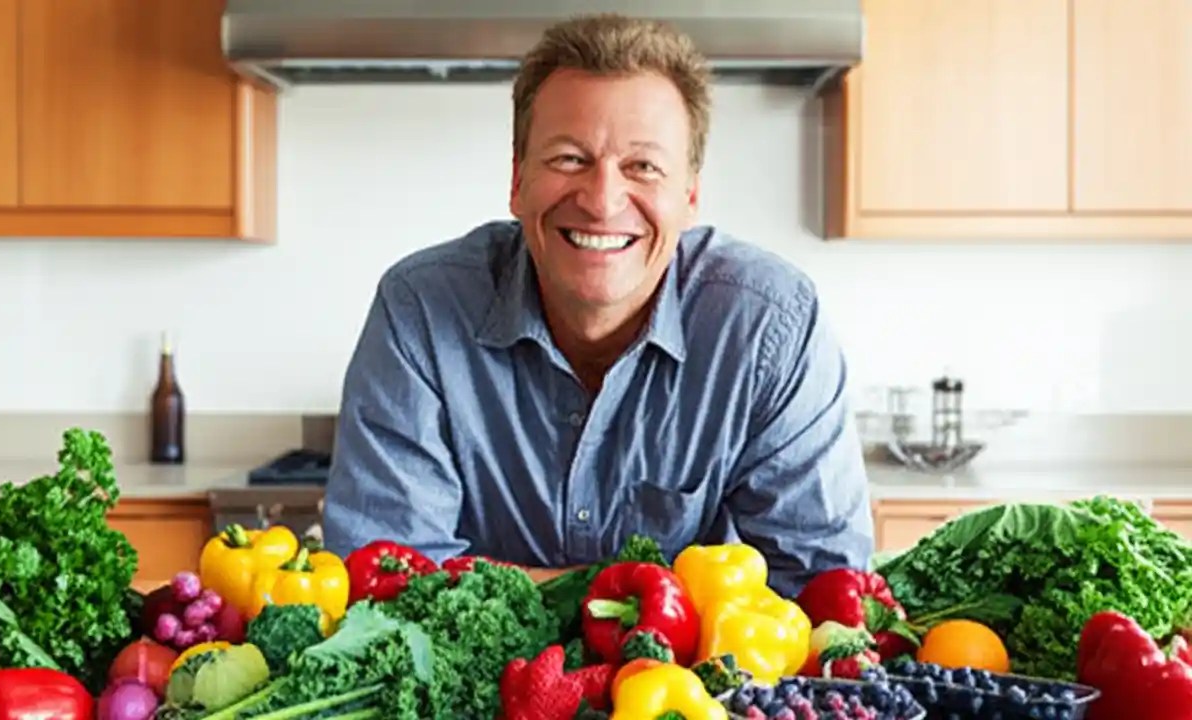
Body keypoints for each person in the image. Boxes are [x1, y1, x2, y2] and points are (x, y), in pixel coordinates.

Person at [322, 13, 873, 597]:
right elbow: (382, 582)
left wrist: (515, 587)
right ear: (517, 182)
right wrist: (655, 599)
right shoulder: (420, 311)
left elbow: (824, 593)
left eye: (643, 167)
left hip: (699, 690)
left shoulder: (770, 328)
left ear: (689, 198)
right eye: (568, 158)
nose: (602, 200)